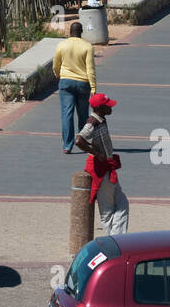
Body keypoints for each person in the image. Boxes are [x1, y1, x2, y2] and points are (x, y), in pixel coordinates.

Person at [76, 92, 128, 235]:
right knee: (107, 212)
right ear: (99, 108)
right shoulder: (93, 122)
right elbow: (78, 140)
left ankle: (117, 237)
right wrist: (96, 153)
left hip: (107, 167)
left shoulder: (101, 119)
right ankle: (115, 242)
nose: (111, 107)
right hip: (101, 169)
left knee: (122, 203)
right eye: (107, 105)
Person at [53, 23, 96, 155]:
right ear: (81, 32)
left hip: (66, 82)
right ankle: (83, 142)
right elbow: (90, 69)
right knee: (83, 115)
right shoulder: (87, 46)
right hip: (83, 83)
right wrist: (93, 87)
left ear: (69, 31)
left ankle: (67, 145)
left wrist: (59, 76)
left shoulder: (62, 45)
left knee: (67, 114)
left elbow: (56, 64)